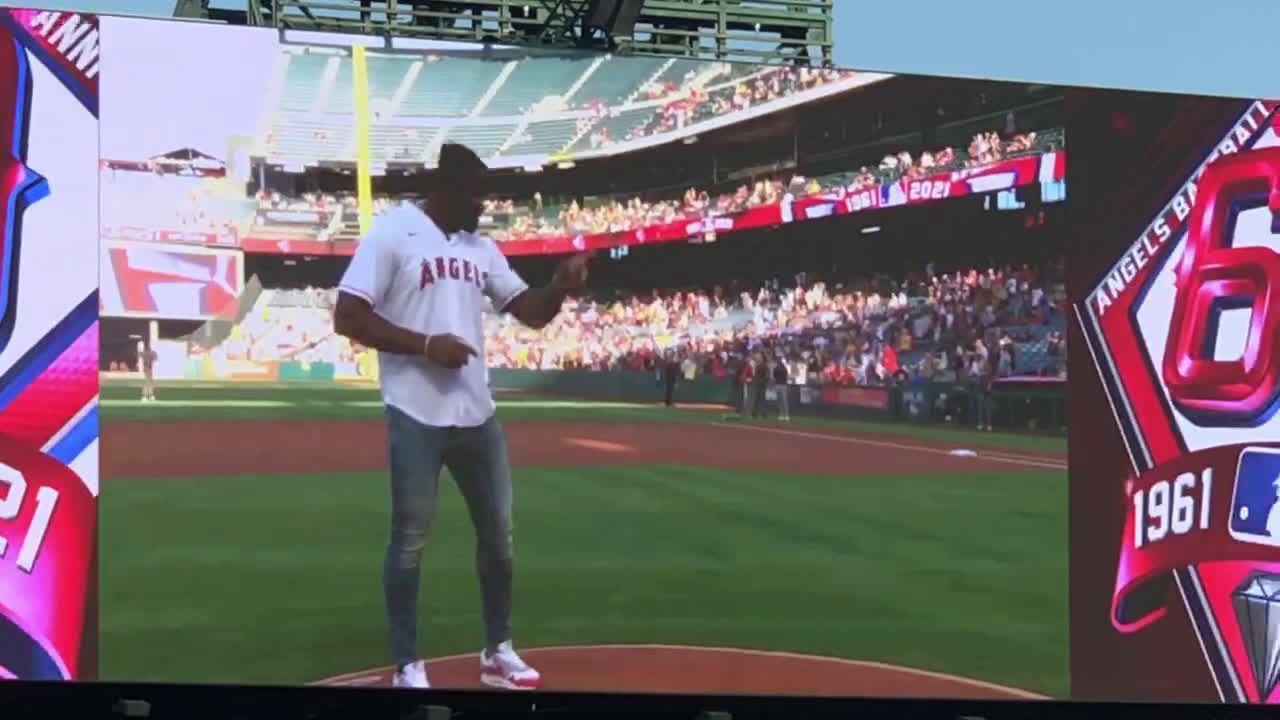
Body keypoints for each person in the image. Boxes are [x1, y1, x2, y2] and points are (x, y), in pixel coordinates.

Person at [333, 142, 592, 691]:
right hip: (415, 412)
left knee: (498, 537)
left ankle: (497, 650)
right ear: (447, 187)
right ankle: (408, 664)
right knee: (408, 542)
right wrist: (427, 345)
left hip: (477, 414)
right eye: (475, 193)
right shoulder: (392, 232)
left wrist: (561, 289)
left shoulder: (482, 248)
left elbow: (532, 314)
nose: (483, 204)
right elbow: (348, 315)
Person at [771, 355, 790, 421]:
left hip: (781, 385)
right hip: (780, 385)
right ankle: (782, 415)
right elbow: (774, 377)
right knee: (781, 400)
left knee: (783, 401)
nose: (778, 361)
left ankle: (786, 415)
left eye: (778, 360)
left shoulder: (781, 368)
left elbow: (775, 377)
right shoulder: (779, 368)